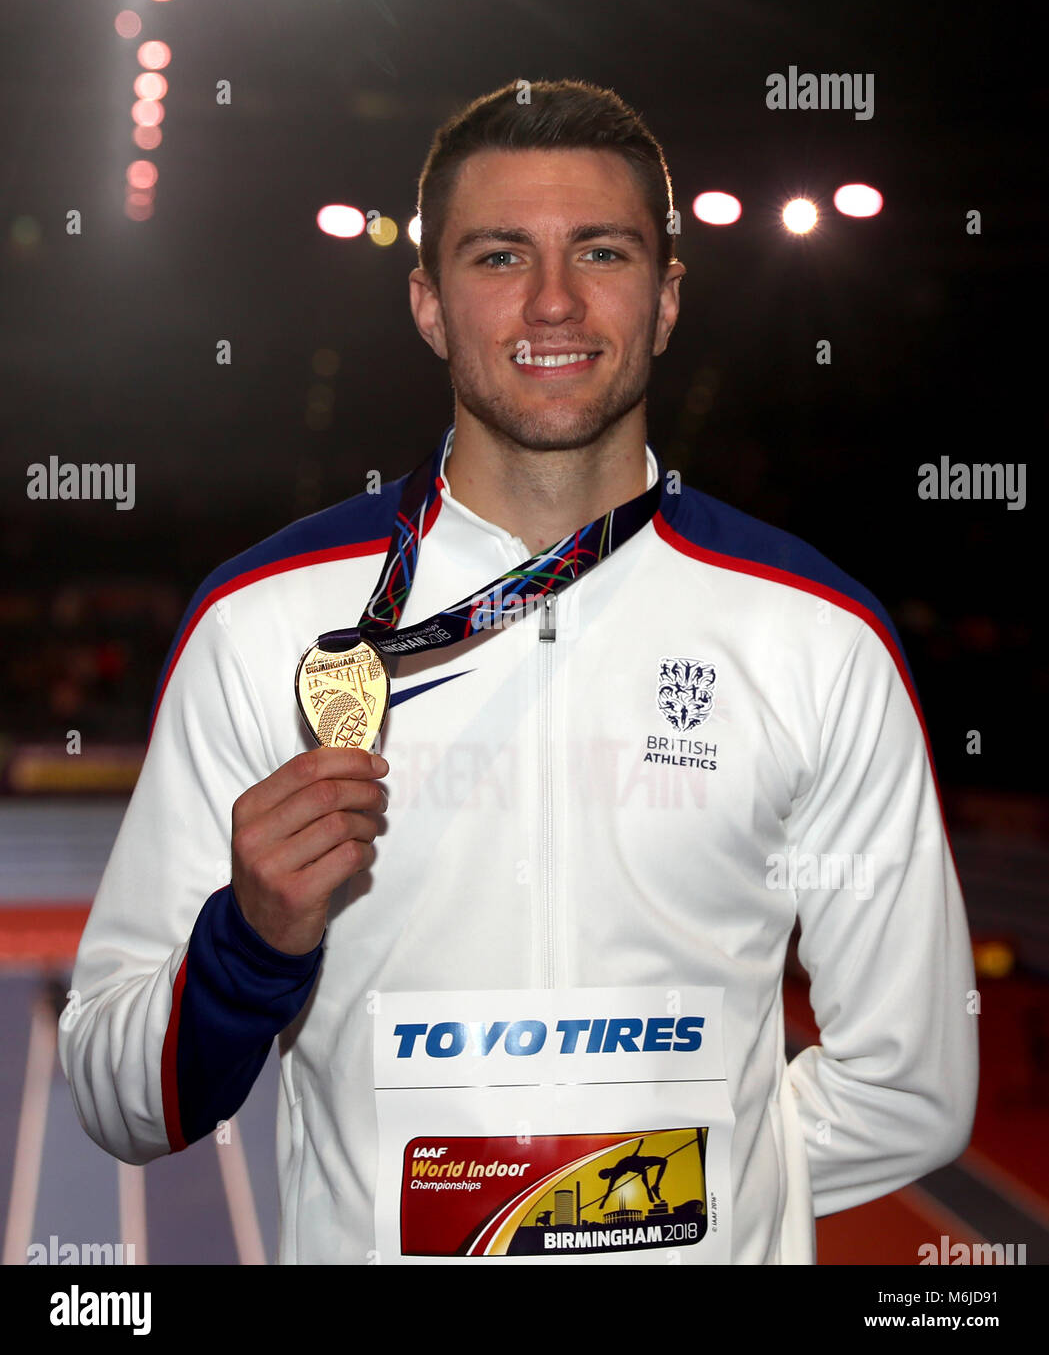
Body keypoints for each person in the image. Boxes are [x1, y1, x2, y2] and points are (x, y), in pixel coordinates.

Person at [59, 78, 978, 1265]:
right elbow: (113, 1090)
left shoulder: (816, 631)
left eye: (600, 251)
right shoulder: (261, 618)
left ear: (664, 301)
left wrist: (677, 1189)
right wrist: (247, 945)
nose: (552, 299)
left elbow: (911, 1080)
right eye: (499, 256)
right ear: (428, 305)